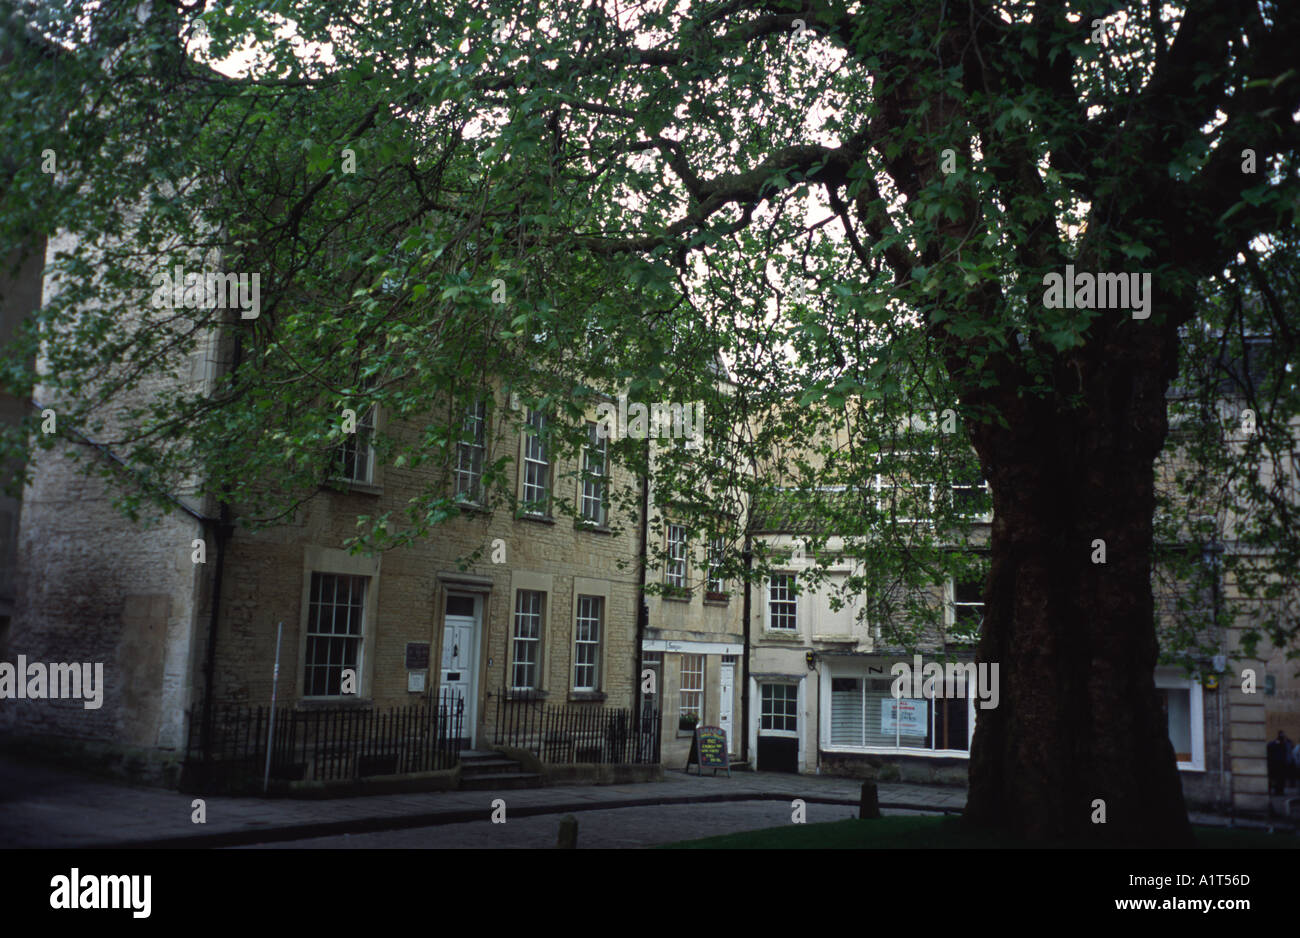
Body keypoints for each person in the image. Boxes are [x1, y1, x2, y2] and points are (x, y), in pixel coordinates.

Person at [1266, 731, 1288, 796]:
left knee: (1277, 778)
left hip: (1276, 764)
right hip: (1276, 764)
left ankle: (1277, 791)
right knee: (1277, 778)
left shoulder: (1281, 744)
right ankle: (1277, 791)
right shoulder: (1278, 744)